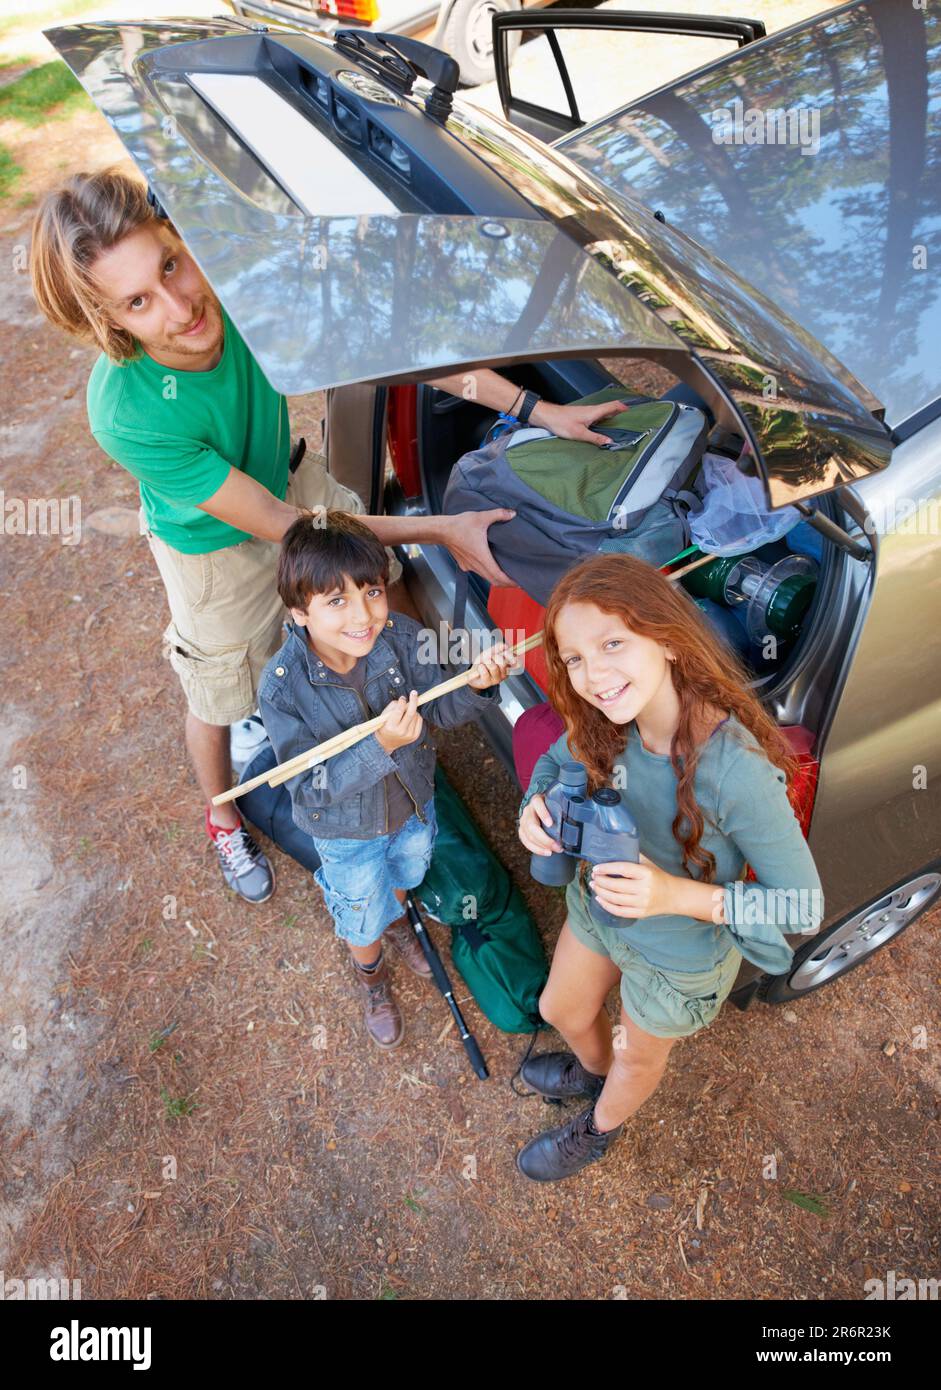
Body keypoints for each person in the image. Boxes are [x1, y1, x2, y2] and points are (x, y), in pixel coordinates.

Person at [28, 168, 630, 903]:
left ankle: (414, 706)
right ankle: (222, 816)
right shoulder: (124, 411)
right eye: (138, 302)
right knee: (220, 692)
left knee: (382, 586)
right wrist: (444, 528)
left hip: (290, 481)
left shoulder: (249, 284)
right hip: (212, 546)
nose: (182, 306)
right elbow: (292, 535)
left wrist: (535, 410)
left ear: (181, 238)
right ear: (108, 321)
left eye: (172, 265)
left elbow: (402, 348)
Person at [515, 553, 824, 1182]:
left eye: (612, 644)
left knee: (635, 1059)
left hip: (678, 960)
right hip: (601, 912)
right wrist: (533, 808)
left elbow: (803, 905)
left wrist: (673, 895)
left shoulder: (732, 768)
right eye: (574, 658)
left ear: (669, 640)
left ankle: (600, 1125)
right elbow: (550, 766)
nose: (593, 676)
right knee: (562, 1010)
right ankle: (592, 1073)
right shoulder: (606, 718)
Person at [257, 510, 513, 1048]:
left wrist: (478, 686)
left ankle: (397, 918)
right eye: (336, 601)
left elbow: (442, 710)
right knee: (359, 916)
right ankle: (371, 974)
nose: (364, 615)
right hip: (347, 836)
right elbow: (309, 789)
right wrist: (380, 748)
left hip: (414, 807)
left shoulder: (401, 635)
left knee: (406, 870)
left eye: (372, 592)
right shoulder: (281, 689)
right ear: (300, 612)